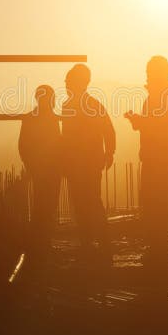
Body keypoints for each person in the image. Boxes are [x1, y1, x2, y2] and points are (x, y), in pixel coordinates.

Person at [125, 56, 168, 268]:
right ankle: (156, 247)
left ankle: (160, 250)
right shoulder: (156, 97)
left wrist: (140, 121)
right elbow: (154, 124)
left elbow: (161, 126)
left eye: (151, 72)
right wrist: (139, 122)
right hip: (153, 157)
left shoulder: (167, 97)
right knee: (151, 204)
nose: (148, 76)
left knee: (156, 204)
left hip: (160, 158)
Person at [61, 64, 115, 265]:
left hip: (86, 164)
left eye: (68, 82)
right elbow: (109, 131)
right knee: (86, 205)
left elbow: (108, 131)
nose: (66, 85)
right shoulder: (82, 105)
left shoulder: (88, 105)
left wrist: (109, 152)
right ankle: (92, 245)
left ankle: (98, 245)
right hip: (82, 165)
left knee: (89, 203)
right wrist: (108, 153)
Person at [19, 85, 62, 266]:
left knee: (46, 208)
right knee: (43, 208)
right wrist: (33, 166)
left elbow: (24, 146)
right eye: (51, 98)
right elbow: (24, 145)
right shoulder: (39, 118)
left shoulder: (43, 118)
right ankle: (39, 245)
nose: (52, 102)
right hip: (46, 171)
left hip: (48, 171)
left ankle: (41, 244)